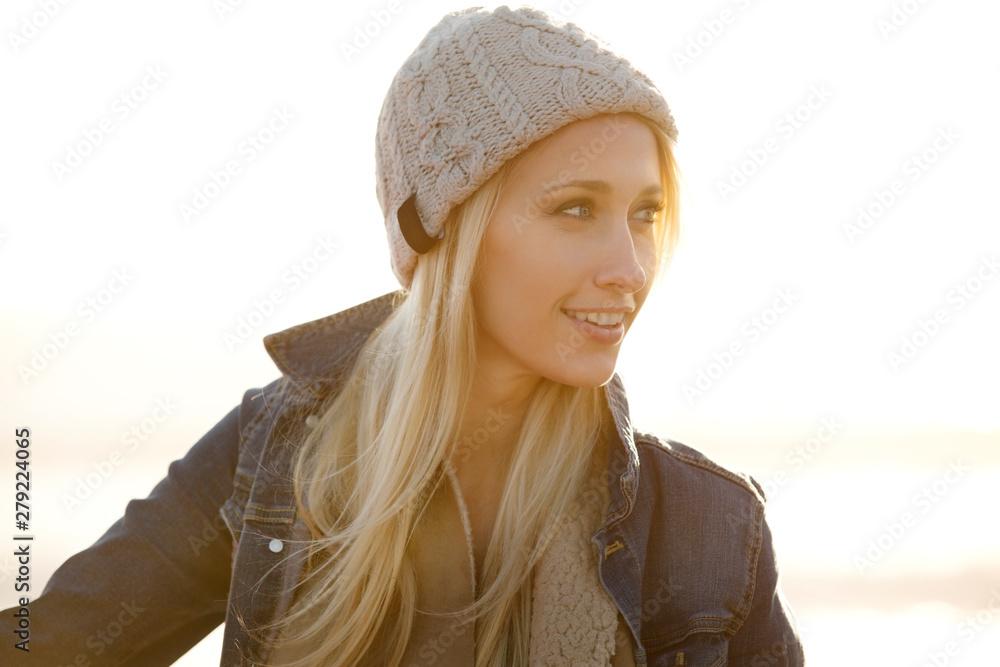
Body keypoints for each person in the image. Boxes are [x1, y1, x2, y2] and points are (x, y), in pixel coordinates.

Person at [4, 5, 804, 666]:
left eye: (646, 214)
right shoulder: (275, 448)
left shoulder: (711, 529)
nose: (629, 265)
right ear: (443, 233)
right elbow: (58, 642)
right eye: (575, 209)